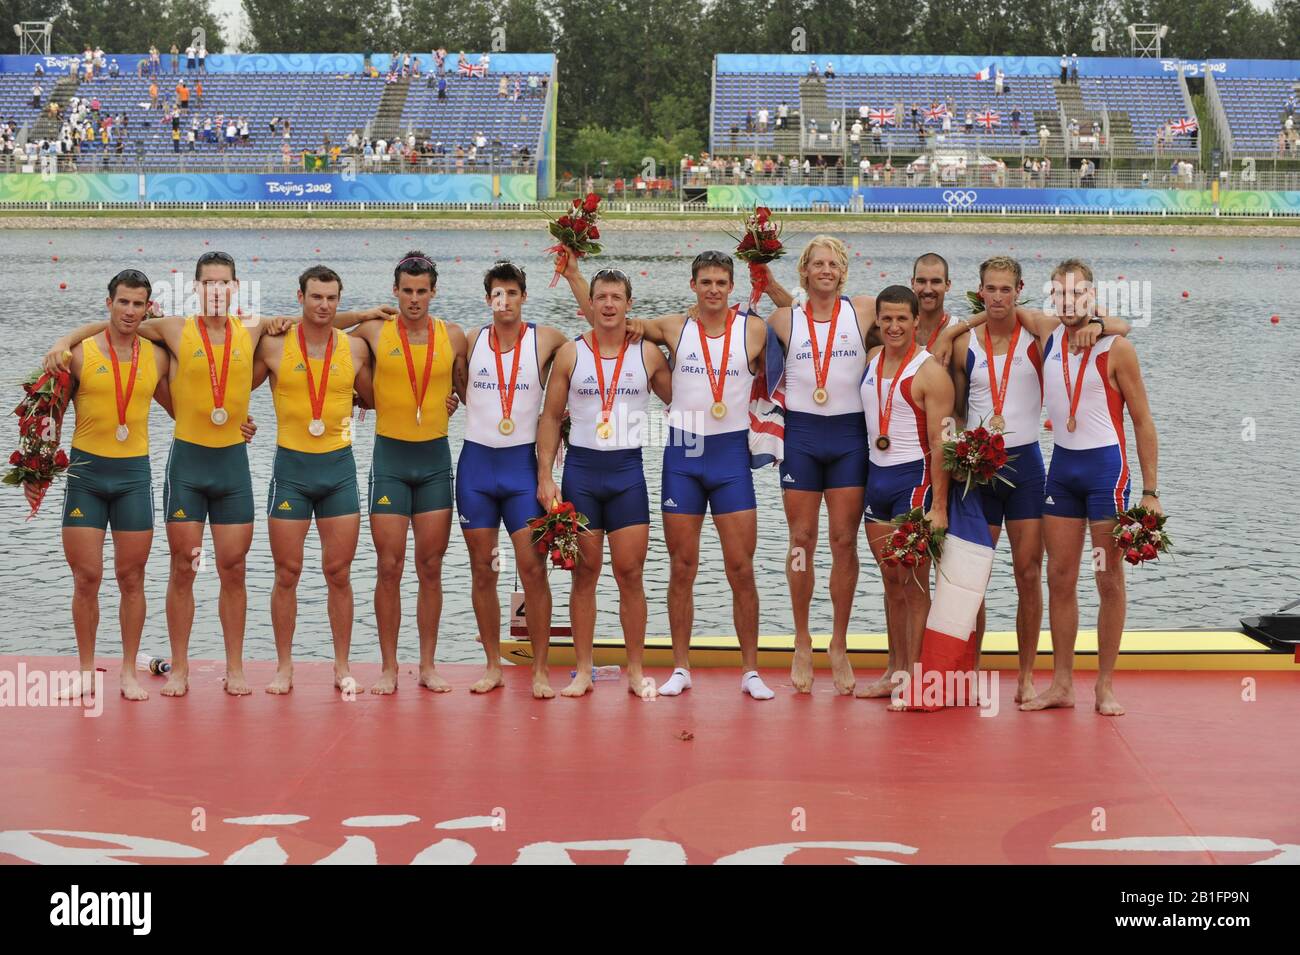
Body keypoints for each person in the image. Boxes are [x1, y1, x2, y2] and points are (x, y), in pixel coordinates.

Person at [43, 254, 378, 696]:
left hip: (232, 468)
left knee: (233, 569)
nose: (216, 292)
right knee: (182, 568)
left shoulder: (254, 329)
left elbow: (316, 317)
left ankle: (235, 668)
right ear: (196, 288)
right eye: (208, 284)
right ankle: (179, 668)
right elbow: (114, 326)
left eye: (224, 284)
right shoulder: (173, 330)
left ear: (235, 287)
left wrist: (367, 315)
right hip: (186, 466)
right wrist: (64, 340)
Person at [947, 256, 1129, 702]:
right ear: (980, 289)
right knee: (975, 577)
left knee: (1033, 575)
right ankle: (974, 674)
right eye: (990, 288)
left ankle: (1033, 677)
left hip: (1029, 468)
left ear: (1019, 290)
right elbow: (951, 407)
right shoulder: (968, 342)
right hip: (978, 469)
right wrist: (953, 330)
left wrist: (1103, 322)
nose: (998, 296)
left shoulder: (1039, 333)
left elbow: (1120, 326)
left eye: (1006, 289)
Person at [609, 252, 778, 701]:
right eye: (706, 282)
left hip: (730, 459)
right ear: (693, 285)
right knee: (681, 567)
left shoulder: (755, 330)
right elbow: (611, 316)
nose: (714, 290)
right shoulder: (671, 327)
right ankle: (681, 667)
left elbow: (799, 327)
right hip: (683, 455)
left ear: (732, 286)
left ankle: (750, 671)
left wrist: (770, 276)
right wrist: (571, 274)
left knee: (741, 569)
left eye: (722, 282)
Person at [1022, 259, 1160, 717]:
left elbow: (1142, 420)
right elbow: (997, 310)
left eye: (1077, 295)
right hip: (1061, 471)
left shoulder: (1116, 347)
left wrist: (1150, 491)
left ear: (1091, 297)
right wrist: (945, 336)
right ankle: (1062, 684)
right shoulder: (1046, 333)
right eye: (1059, 294)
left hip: (1106, 473)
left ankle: (1104, 685)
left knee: (1108, 579)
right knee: (1058, 578)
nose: (1067, 303)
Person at [330, 254, 469, 694]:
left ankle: (427, 665)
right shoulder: (374, 331)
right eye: (406, 291)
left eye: (421, 291)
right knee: (389, 567)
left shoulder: (455, 335)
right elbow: (322, 329)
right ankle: (389, 667)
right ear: (395, 291)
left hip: (434, 462)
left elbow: (469, 390)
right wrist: (364, 316)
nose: (413, 299)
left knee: (431, 567)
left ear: (433, 292)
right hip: (390, 462)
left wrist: (455, 399)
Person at [537, 259, 673, 697]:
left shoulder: (647, 354)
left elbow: (685, 398)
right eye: (601, 297)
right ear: (589, 305)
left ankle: (635, 671)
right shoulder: (571, 354)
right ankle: (582, 670)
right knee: (585, 575)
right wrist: (545, 476)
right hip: (582, 472)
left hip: (628, 473)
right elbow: (550, 416)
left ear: (629, 305)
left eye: (617, 297)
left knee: (630, 573)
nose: (609, 304)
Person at [35, 271, 172, 701]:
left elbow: (183, 411)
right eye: (123, 302)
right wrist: (37, 464)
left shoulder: (159, 357)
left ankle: (129, 672)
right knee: (86, 578)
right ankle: (85, 670)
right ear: (108, 302)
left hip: (133, 476)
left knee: (132, 577)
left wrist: (232, 425)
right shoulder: (76, 354)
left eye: (138, 304)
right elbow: (46, 416)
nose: (130, 311)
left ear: (148, 307)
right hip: (86, 477)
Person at [253, 266, 373, 695]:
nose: (324, 305)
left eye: (331, 298)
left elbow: (382, 396)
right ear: (299, 297)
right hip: (291, 473)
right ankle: (284, 667)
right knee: (287, 572)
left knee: (338, 573)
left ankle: (341, 665)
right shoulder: (272, 344)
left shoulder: (356, 348)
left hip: (338, 472)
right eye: (316, 297)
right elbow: (229, 387)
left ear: (339, 301)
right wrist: (238, 424)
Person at [457, 262, 568, 698]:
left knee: (532, 568)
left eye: (512, 292)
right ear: (488, 300)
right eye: (496, 294)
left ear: (524, 297)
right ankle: (492, 666)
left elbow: (594, 340)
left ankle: (540, 669)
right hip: (476, 468)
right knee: (483, 570)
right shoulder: (470, 339)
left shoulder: (547, 339)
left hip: (522, 470)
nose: (504, 301)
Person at [860, 286, 953, 704]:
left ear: (917, 321)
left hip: (914, 485)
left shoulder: (930, 372)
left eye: (902, 319)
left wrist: (939, 506)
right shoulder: (870, 360)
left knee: (914, 585)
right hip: (875, 482)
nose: (894, 326)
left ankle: (917, 678)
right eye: (887, 319)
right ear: (878, 321)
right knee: (889, 583)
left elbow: (942, 444)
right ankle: (893, 671)